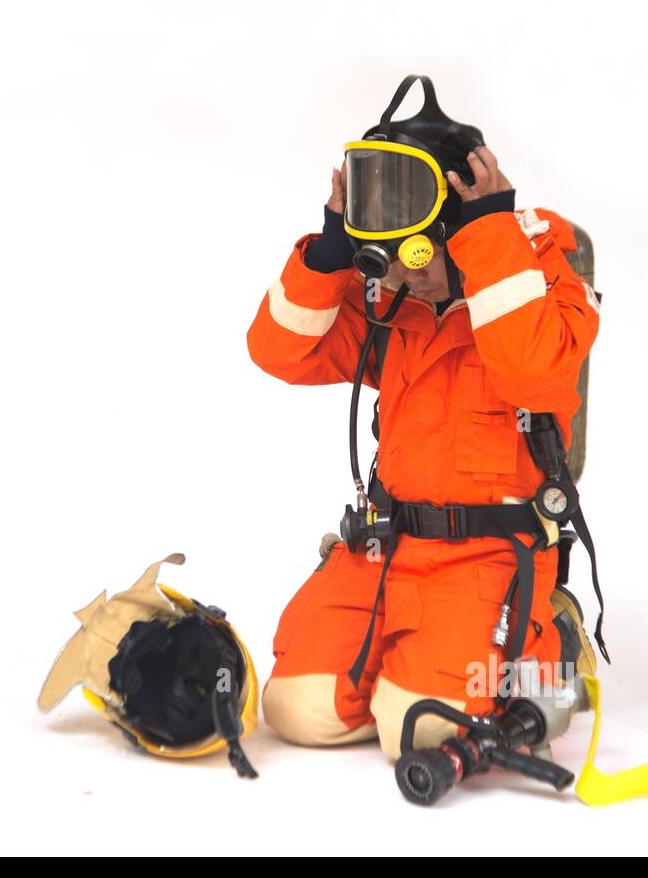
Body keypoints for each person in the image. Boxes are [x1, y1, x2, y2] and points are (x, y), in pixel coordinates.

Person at [245, 78, 601, 761]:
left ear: (463, 231)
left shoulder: (544, 276)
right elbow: (279, 351)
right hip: (385, 546)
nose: (417, 275)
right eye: (403, 255)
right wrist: (329, 253)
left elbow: (534, 371)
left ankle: (553, 632)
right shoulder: (389, 300)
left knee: (423, 728)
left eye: (428, 252)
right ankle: (406, 657)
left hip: (487, 556)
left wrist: (488, 237)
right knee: (297, 708)